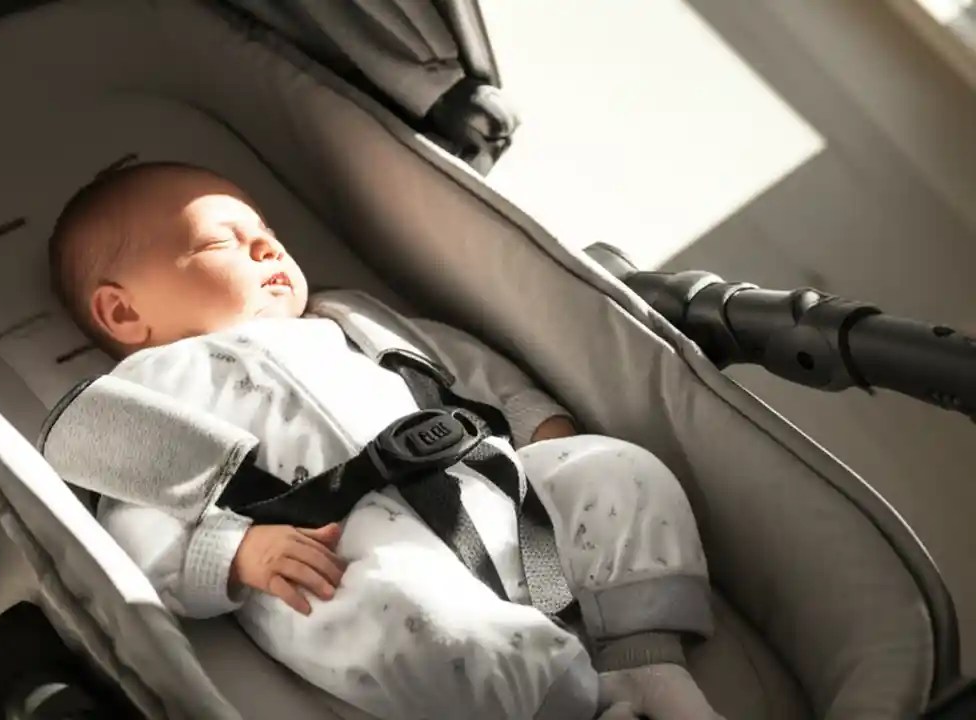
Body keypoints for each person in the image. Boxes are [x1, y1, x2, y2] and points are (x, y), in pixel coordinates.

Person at [45, 161, 723, 720]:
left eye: (269, 232)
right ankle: (568, 708)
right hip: (349, 554)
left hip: (498, 495)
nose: (267, 247)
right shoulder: (147, 393)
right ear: (123, 311)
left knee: (613, 470)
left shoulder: (346, 318)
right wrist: (234, 552)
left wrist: (539, 428)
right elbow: (135, 522)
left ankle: (650, 665)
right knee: (424, 628)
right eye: (224, 241)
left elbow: (467, 368)